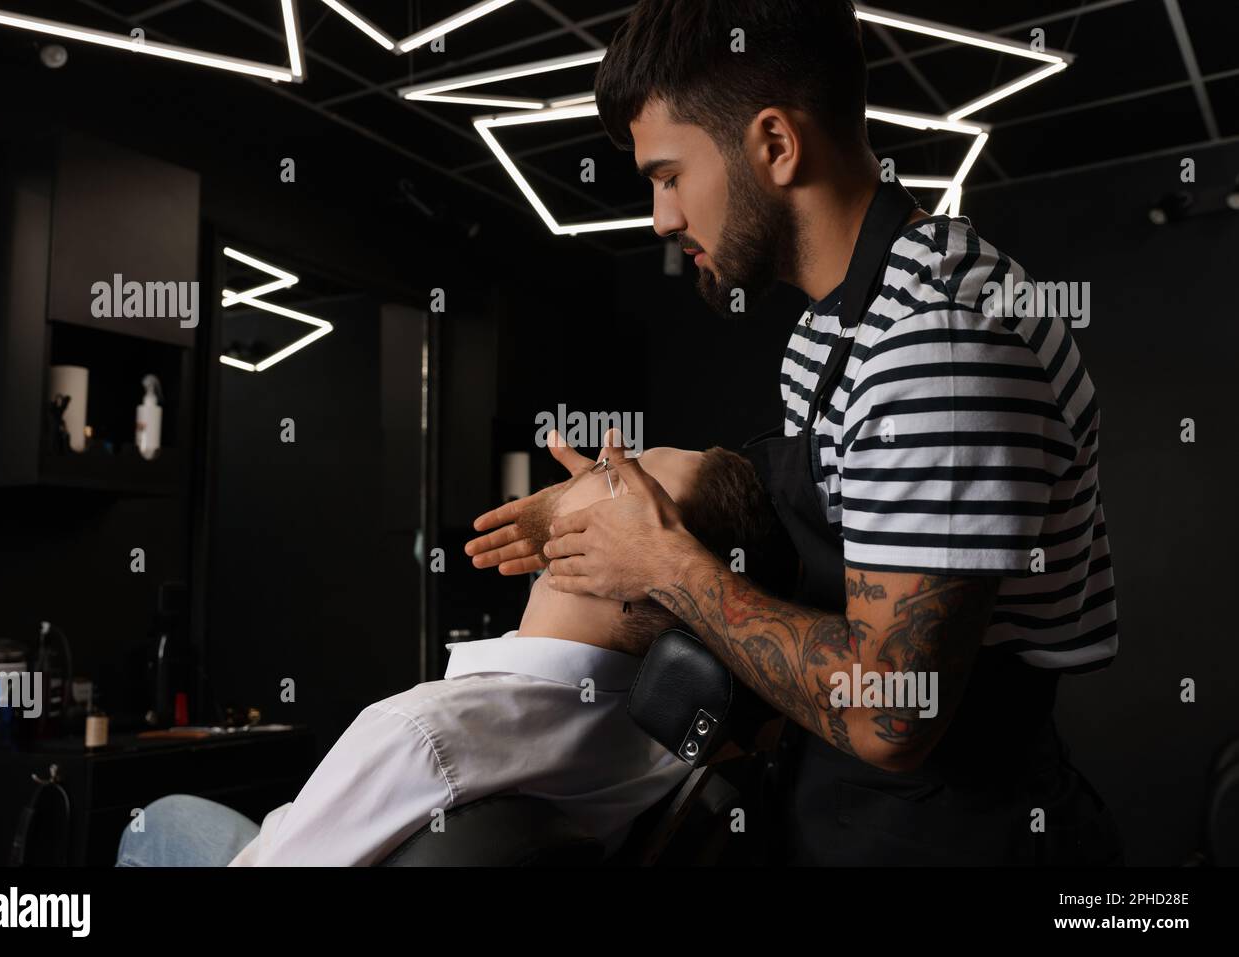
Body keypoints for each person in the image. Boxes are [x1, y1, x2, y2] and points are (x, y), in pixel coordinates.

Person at [467, 0, 1122, 865]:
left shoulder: (936, 340)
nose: (662, 219)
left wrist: (664, 561)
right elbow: (831, 544)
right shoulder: (829, 331)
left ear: (774, 144)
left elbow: (892, 711)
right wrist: (634, 501)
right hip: (834, 811)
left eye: (668, 176)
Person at [117, 439, 794, 866]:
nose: (606, 455)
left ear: (633, 571)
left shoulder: (419, 736)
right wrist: (580, 510)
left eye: (630, 478)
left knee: (160, 822)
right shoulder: (665, 738)